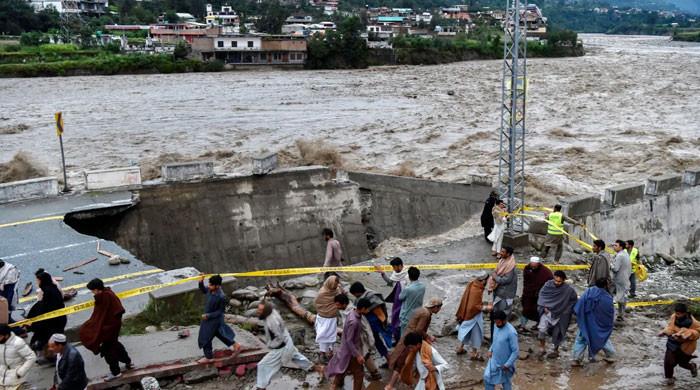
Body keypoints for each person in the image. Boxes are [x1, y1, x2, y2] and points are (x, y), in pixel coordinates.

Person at [255, 302, 322, 389]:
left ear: (266, 311)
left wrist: (274, 348)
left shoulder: (272, 322)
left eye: (260, 310)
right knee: (297, 358)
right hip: (287, 340)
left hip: (282, 346)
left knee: (262, 365)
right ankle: (319, 369)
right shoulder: (272, 312)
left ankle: (261, 387)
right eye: (258, 309)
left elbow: (279, 338)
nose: (257, 311)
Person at [79, 278, 133, 381]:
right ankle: (128, 362)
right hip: (110, 328)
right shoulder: (106, 294)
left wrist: (104, 328)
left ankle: (116, 372)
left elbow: (118, 311)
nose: (93, 293)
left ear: (97, 289)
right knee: (116, 345)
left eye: (93, 291)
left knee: (108, 350)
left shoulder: (107, 297)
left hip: (110, 328)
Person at [386, 298, 443, 390]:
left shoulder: (422, 310)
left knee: (408, 361)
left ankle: (411, 382)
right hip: (412, 341)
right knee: (403, 363)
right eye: (439, 308)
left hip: (409, 337)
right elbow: (419, 330)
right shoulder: (426, 314)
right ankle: (390, 386)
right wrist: (428, 337)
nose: (439, 310)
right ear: (435, 307)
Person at [325, 298, 371, 390]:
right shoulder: (354, 322)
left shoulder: (352, 313)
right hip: (351, 352)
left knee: (342, 370)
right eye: (367, 309)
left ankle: (333, 386)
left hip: (346, 351)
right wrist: (358, 355)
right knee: (359, 374)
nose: (368, 311)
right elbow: (349, 340)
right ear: (362, 308)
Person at [571, 278, 616, 366]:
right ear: (605, 285)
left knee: (581, 339)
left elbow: (579, 306)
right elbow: (609, 314)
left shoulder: (588, 292)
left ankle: (576, 359)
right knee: (602, 338)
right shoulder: (607, 298)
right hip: (598, 325)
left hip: (585, 322)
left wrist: (580, 317)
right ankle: (611, 356)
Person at [197, 274, 240, 363]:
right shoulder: (210, 290)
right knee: (220, 334)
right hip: (209, 319)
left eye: (211, 285)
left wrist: (208, 315)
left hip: (214, 320)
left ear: (217, 286)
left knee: (206, 336)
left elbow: (220, 312)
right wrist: (201, 281)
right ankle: (236, 345)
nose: (209, 286)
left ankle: (208, 357)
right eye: (209, 284)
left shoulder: (221, 297)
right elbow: (203, 290)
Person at [535, 271, 578, 359]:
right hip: (547, 312)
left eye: (559, 281)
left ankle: (555, 350)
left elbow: (573, 300)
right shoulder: (548, 285)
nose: (557, 283)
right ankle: (542, 348)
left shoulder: (568, 290)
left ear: (563, 280)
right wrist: (544, 307)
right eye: (555, 280)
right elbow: (542, 296)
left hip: (560, 315)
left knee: (557, 333)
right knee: (541, 330)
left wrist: (566, 311)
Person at [26, 271, 67, 363]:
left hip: (52, 322)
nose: (37, 282)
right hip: (56, 320)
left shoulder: (48, 292)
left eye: (37, 280)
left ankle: (51, 358)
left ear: (42, 281)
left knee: (46, 339)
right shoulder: (52, 288)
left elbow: (45, 308)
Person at [658, 303, 700, 385]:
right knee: (668, 362)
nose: (676, 315)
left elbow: (697, 333)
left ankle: (692, 366)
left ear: (684, 313)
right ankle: (669, 379)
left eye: (679, 314)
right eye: (676, 313)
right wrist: (664, 332)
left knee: (682, 363)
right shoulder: (674, 317)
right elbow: (670, 327)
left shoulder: (693, 323)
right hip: (672, 342)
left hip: (685, 346)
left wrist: (687, 334)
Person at [349, 282, 391, 360]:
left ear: (358, 292)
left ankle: (390, 358)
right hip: (370, 324)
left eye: (355, 294)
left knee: (386, 339)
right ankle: (388, 357)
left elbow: (380, 311)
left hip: (377, 323)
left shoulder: (372, 296)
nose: (355, 297)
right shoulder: (361, 298)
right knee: (377, 341)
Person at [375, 257, 409, 343]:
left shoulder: (407, 275)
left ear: (400, 265)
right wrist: (383, 273)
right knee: (395, 317)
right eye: (393, 267)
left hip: (405, 300)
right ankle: (397, 337)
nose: (394, 269)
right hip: (397, 300)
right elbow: (390, 282)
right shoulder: (396, 274)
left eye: (395, 267)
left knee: (403, 319)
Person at [455, 272, 488, 360]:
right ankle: (474, 353)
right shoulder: (477, 290)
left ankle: (460, 348)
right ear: (483, 280)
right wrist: (486, 308)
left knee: (466, 330)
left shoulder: (472, 284)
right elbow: (475, 306)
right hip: (473, 315)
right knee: (476, 332)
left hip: (466, 313)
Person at [483, 310, 518, 390]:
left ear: (505, 320)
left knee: (506, 382)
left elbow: (515, 351)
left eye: (498, 323)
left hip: (505, 363)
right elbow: (495, 340)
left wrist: (507, 364)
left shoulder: (511, 332)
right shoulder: (496, 326)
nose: (496, 324)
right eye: (495, 322)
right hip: (494, 359)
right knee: (487, 378)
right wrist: (490, 349)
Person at [487, 246, 517, 339]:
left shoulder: (510, 265)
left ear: (508, 254)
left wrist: (495, 276)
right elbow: (496, 272)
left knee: (504, 315)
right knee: (497, 314)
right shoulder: (502, 261)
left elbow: (506, 280)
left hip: (505, 295)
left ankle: (502, 335)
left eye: (503, 252)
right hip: (499, 292)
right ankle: (496, 334)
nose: (500, 253)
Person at [314, 274, 344, 361]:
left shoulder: (337, 290)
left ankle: (330, 352)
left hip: (332, 318)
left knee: (331, 336)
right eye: (333, 286)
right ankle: (322, 353)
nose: (334, 288)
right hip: (323, 318)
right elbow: (317, 303)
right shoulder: (322, 293)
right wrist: (325, 310)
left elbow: (340, 301)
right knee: (322, 335)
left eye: (335, 286)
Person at [520, 257, 553, 330]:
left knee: (539, 311)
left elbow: (550, 282)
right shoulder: (527, 269)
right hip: (528, 294)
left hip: (539, 296)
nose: (533, 267)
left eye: (535, 266)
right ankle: (522, 326)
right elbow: (526, 281)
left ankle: (538, 325)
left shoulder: (545, 271)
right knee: (526, 309)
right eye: (532, 266)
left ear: (538, 264)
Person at [0, 324, 35, 390]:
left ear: (6, 335)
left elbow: (31, 357)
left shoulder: (18, 343)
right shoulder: (1, 343)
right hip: (2, 379)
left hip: (16, 379)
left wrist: (20, 372)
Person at [398, 266, 425, 335]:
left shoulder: (408, 289)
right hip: (417, 314)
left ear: (409, 277)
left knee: (404, 337)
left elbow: (400, 298)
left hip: (406, 317)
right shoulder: (422, 287)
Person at [611, 239, 631, 321]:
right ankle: (621, 315)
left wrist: (610, 264)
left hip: (619, 279)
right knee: (622, 297)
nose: (614, 247)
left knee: (618, 297)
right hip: (625, 278)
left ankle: (618, 315)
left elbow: (615, 269)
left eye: (616, 245)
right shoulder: (625, 254)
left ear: (621, 247)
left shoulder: (620, 256)